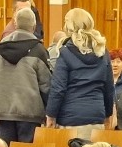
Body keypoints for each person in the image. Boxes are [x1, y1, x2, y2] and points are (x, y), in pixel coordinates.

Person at [45, 9, 113, 140]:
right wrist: (107, 114)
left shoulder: (65, 53)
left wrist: (51, 115)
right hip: (96, 115)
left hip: (70, 118)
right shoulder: (103, 52)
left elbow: (58, 88)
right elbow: (109, 88)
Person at [0, 9, 51, 144]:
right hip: (30, 113)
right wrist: (48, 111)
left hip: (4, 112)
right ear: (33, 27)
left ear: (15, 25)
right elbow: (46, 86)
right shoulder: (39, 50)